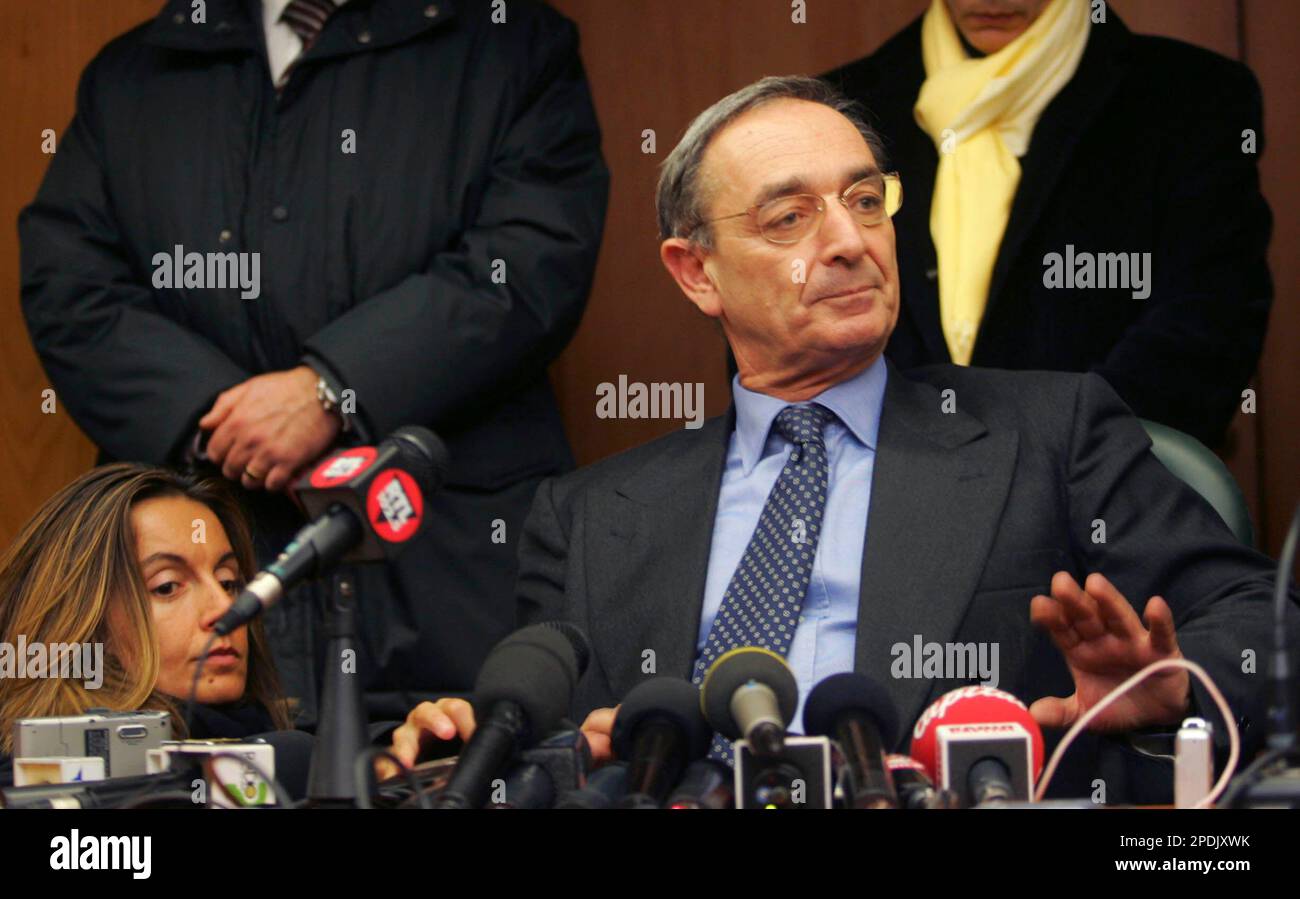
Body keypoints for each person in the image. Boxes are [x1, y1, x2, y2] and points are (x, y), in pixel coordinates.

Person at [387, 76, 1296, 802]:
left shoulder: (1049, 432)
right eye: (790, 217)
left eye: (866, 200)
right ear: (696, 272)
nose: (851, 241)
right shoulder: (588, 514)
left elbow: (1268, 621)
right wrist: (487, 737)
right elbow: (547, 734)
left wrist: (1176, 683)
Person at [19, 0, 610, 725]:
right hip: (210, 566)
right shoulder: (135, 72)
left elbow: (530, 261)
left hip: (442, 577)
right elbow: (69, 288)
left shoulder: (510, 43)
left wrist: (334, 386)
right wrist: (219, 421)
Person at [822, 0, 1272, 448]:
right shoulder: (841, 107)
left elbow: (1209, 316)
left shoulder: (1193, 94)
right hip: (890, 482)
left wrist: (1051, 458)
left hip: (1103, 482)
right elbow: (813, 321)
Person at [0, 464, 292, 785]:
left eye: (228, 582)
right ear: (89, 625)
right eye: (167, 586)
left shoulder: (300, 754)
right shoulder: (41, 787)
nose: (225, 608)